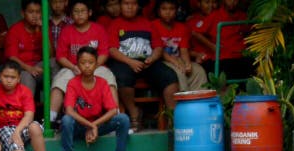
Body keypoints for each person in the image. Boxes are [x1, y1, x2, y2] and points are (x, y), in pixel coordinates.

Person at [106, 0, 179, 132]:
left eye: (133, 3)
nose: (130, 7)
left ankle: (173, 119)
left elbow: (158, 47)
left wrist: (152, 58)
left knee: (170, 77)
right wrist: (130, 62)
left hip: (148, 63)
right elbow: (111, 50)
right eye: (126, 3)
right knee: (122, 77)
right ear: (121, 5)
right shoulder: (114, 24)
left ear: (138, 6)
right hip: (124, 62)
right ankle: (134, 112)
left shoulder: (147, 24)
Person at [61, 46, 130, 151]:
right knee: (66, 120)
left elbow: (112, 110)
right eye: (83, 63)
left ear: (96, 64)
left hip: (97, 124)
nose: (87, 66)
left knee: (123, 119)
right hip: (79, 126)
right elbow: (69, 111)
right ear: (78, 64)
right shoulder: (73, 83)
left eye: (91, 62)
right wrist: (89, 125)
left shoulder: (103, 83)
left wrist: (94, 125)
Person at [49, 0, 117, 127]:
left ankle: (115, 116)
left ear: (90, 13)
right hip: (73, 68)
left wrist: (93, 67)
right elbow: (60, 56)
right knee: (61, 78)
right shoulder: (67, 31)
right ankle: (51, 118)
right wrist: (73, 67)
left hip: (95, 67)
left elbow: (104, 53)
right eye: (76, 11)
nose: (79, 14)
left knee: (108, 77)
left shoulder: (98, 29)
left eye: (83, 11)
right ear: (71, 15)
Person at [0, 61, 57, 151]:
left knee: (35, 126)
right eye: (6, 76)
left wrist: (18, 131)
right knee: (12, 137)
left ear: (19, 78)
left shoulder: (24, 91)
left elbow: (29, 116)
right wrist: (15, 134)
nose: (9, 80)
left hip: (21, 127)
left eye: (13, 77)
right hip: (3, 129)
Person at [152, 0, 207, 91]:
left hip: (178, 59)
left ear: (177, 10)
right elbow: (159, 50)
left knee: (198, 71)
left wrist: (187, 63)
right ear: (158, 11)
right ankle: (184, 102)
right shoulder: (153, 25)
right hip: (161, 61)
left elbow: (184, 50)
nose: (168, 12)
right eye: (164, 9)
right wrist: (175, 62)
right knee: (179, 71)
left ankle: (199, 101)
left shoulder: (182, 27)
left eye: (171, 9)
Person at [201, 0, 254, 80]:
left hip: (242, 55)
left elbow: (250, 33)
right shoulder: (215, 15)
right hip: (224, 58)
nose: (232, 2)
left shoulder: (243, 16)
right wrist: (212, 46)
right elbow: (196, 33)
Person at [5, 0, 45, 96]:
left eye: (38, 12)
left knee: (54, 63)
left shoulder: (43, 28)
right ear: (23, 13)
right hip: (22, 69)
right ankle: (28, 110)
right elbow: (12, 57)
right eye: (31, 12)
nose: (35, 15)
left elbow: (50, 55)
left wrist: (44, 31)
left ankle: (54, 110)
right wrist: (29, 68)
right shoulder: (15, 30)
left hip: (39, 68)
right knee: (27, 77)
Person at [187, 0, 216, 68]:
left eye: (214, 2)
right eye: (207, 2)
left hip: (219, 58)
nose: (211, 5)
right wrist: (196, 55)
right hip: (202, 60)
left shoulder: (220, 18)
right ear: (199, 4)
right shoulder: (191, 22)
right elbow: (185, 50)